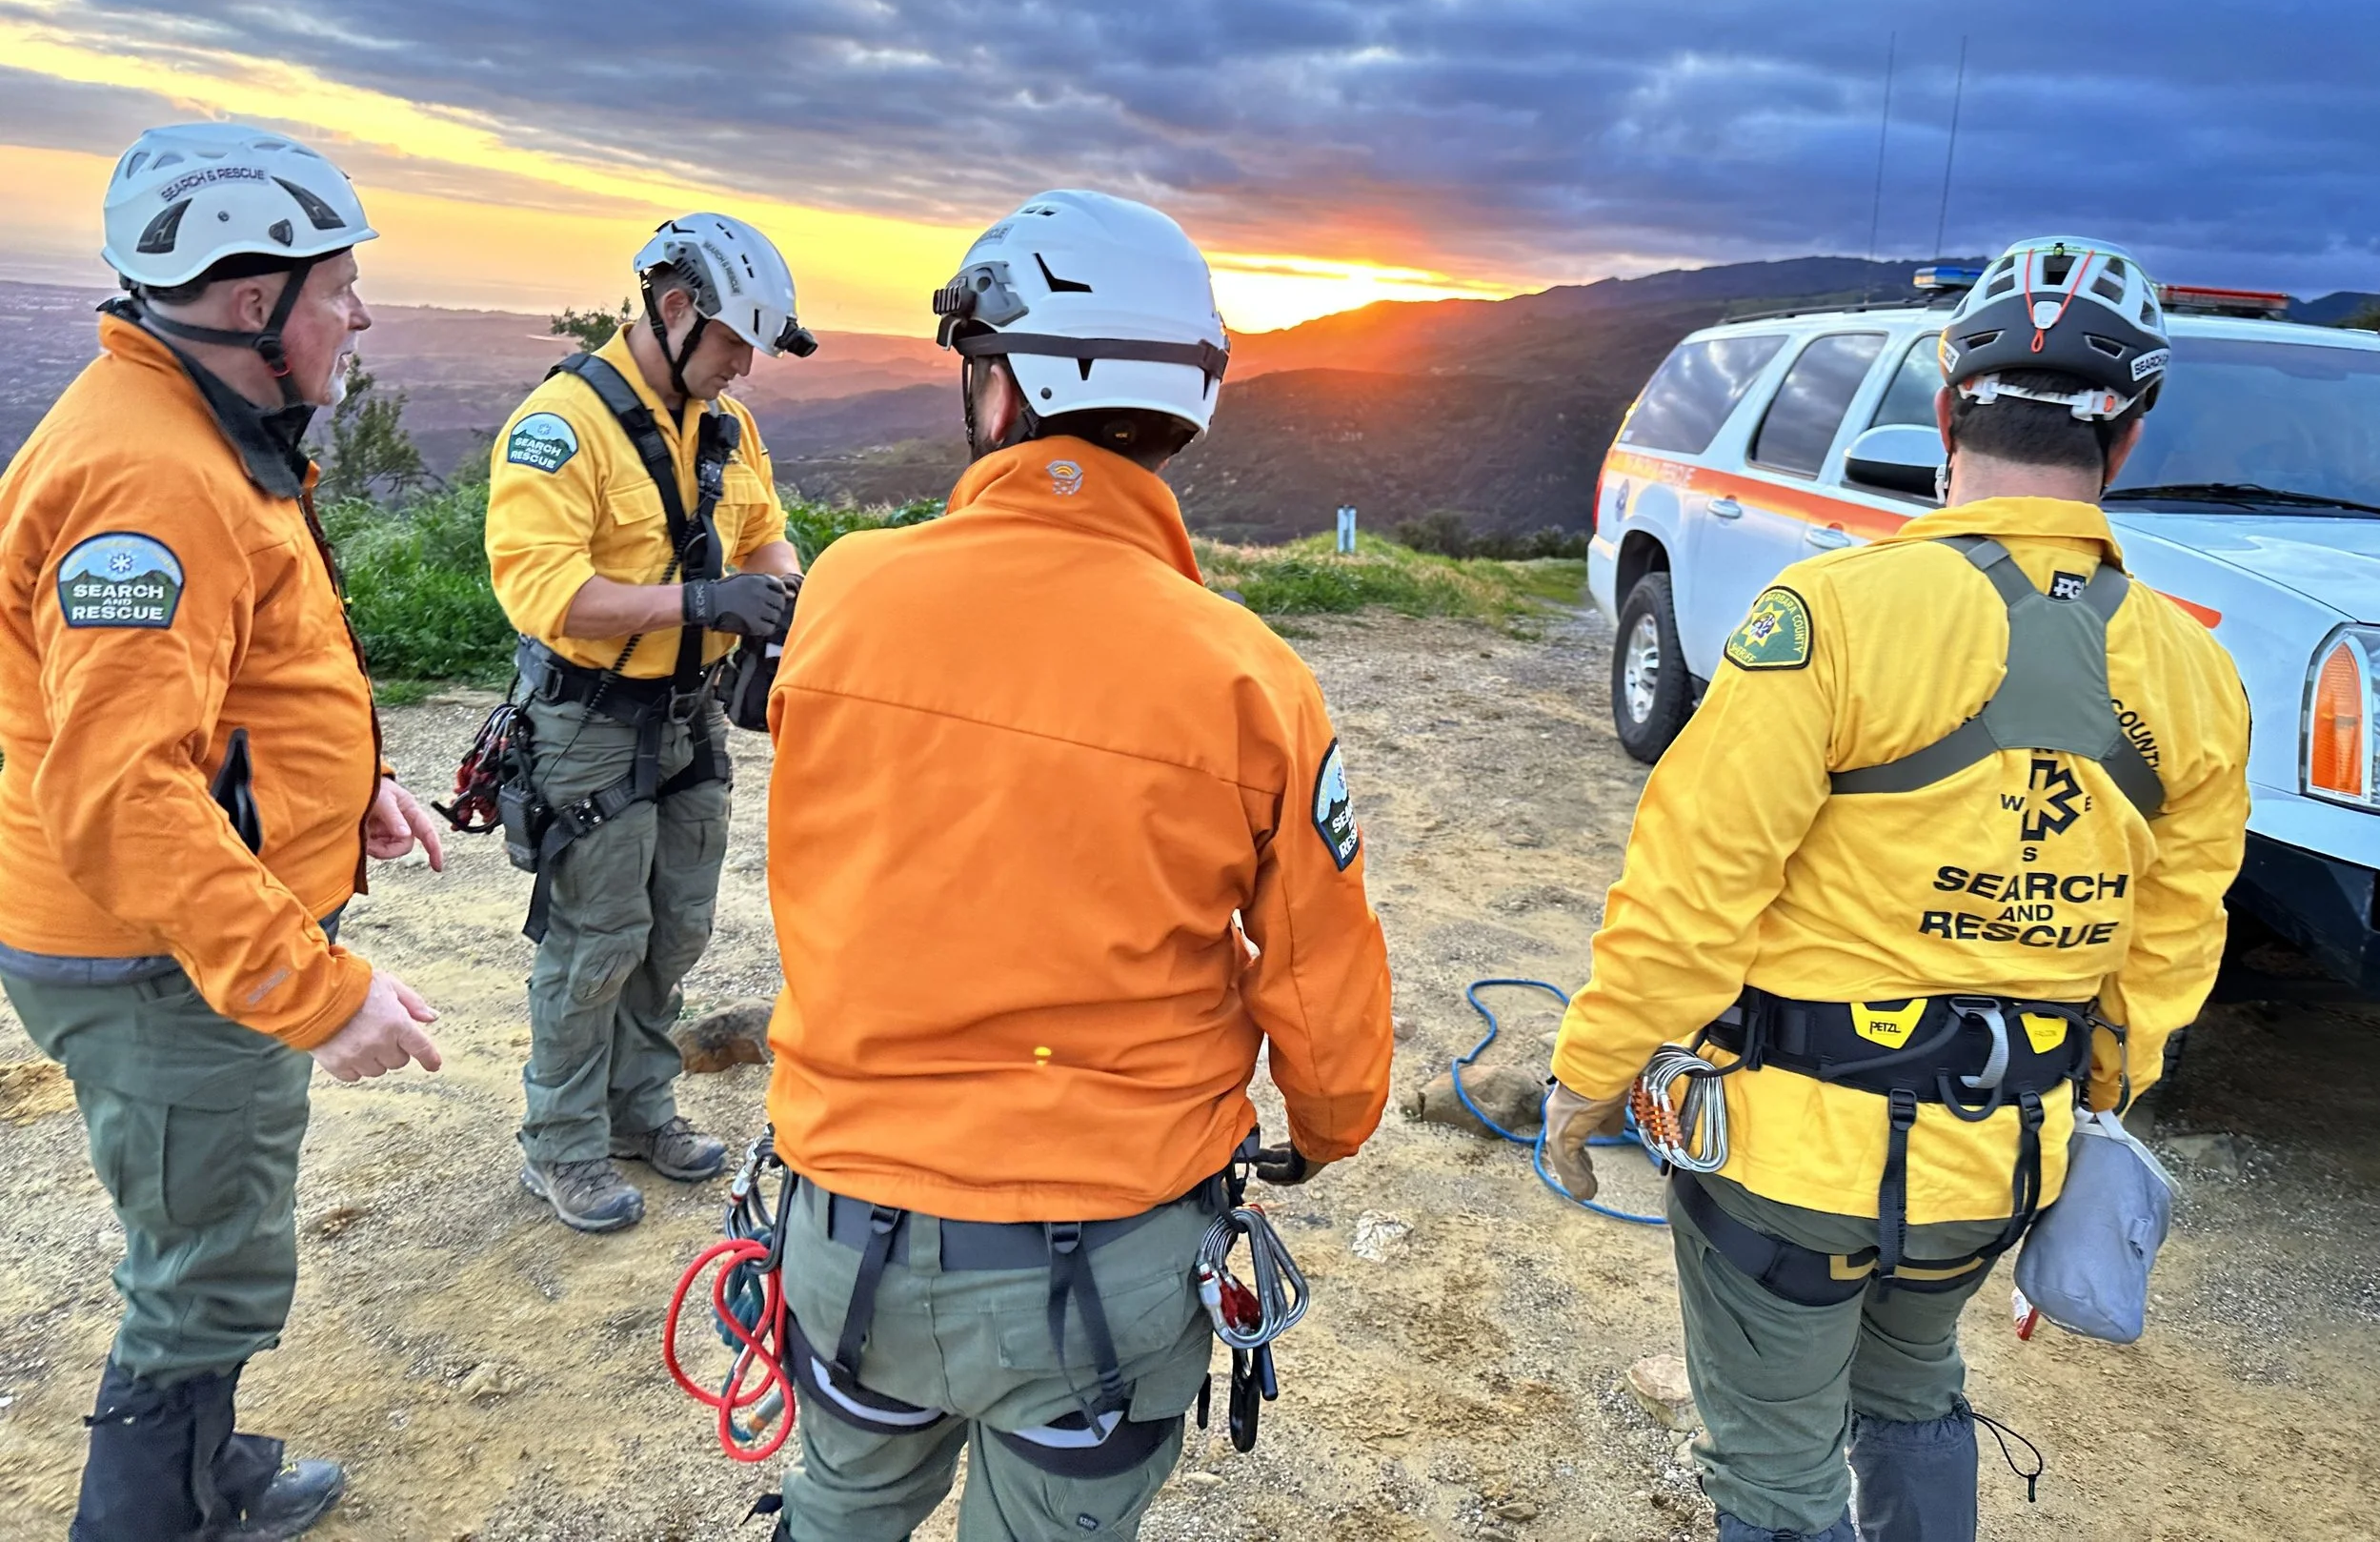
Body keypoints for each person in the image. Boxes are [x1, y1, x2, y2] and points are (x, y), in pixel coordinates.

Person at [1543, 238, 2251, 1542]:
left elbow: (1690, 892)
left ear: (1945, 409)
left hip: (1789, 1161)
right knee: (1916, 1377)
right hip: (2003, 1157)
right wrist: (2093, 1095)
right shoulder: (2198, 674)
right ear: (2130, 438)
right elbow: (2172, 940)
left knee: (1774, 1464)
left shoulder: (1832, 612)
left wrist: (1587, 1078)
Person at [757, 191, 1395, 1540]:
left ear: (1003, 389)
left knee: (840, 1503)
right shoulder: (1248, 674)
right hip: (1104, 1264)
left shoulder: (844, 597)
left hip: (850, 1223)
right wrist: (1327, 1127)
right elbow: (1322, 975)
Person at [0, 123, 449, 1541]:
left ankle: (205, 1469)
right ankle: (153, 1512)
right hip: (152, 958)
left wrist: (344, 784)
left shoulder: (198, 427)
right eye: (340, 286)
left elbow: (226, 684)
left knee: (215, 1233)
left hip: (169, 940)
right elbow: (119, 789)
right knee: (208, 1266)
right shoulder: (155, 478)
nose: (359, 315)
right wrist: (312, 991)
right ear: (253, 302)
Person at [485, 213, 809, 1232]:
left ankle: (639, 1111)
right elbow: (542, 590)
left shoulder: (724, 424)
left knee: (675, 929)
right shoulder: (561, 426)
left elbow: (762, 540)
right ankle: (563, 1145)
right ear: (675, 311)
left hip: (689, 718)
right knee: (596, 940)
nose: (744, 365)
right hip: (589, 721)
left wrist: (785, 600)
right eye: (731, 342)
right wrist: (700, 607)